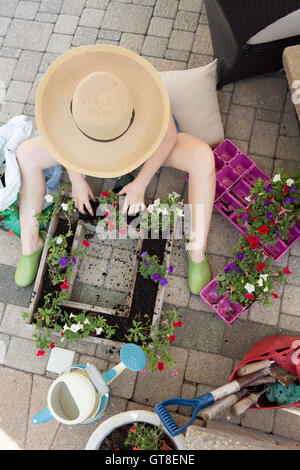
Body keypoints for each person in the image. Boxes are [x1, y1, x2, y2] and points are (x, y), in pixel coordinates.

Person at [14, 45, 216, 295]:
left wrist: (140, 184)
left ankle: (196, 250)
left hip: (145, 143)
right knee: (26, 154)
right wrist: (76, 179)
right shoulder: (79, 91)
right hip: (86, 145)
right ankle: (31, 243)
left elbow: (168, 137)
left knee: (203, 157)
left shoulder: (142, 92)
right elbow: (60, 139)